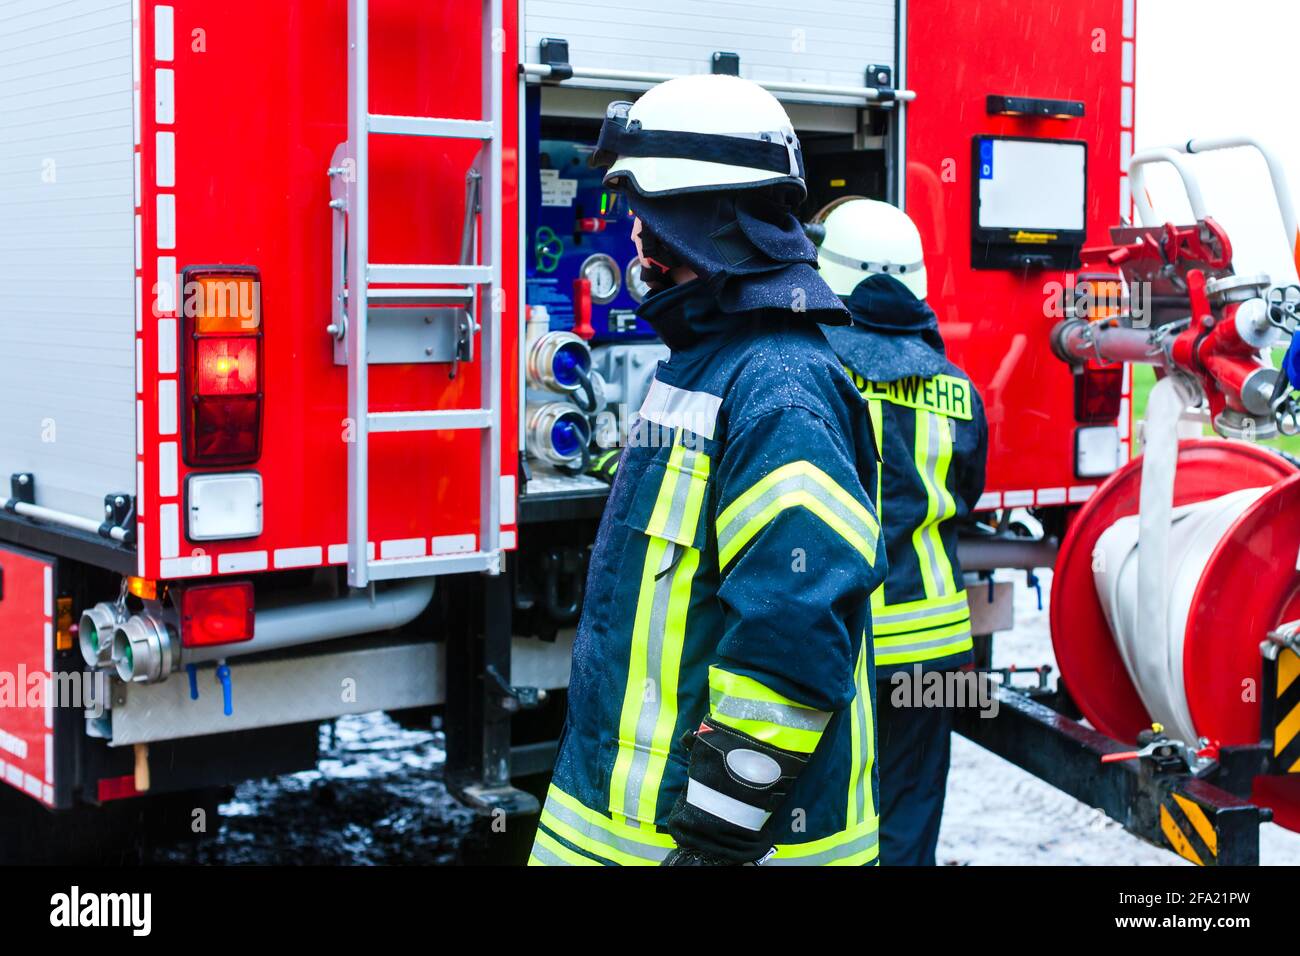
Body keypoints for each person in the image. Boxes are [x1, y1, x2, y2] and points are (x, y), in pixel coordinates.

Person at [528, 75, 888, 867]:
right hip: (626, 828)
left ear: (692, 227)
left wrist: (716, 841)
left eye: (642, 220)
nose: (631, 244)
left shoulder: (779, 390)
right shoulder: (706, 366)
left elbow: (791, 631)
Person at [815, 197, 988, 866]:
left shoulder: (814, 370)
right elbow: (965, 495)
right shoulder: (958, 387)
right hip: (934, 651)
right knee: (907, 814)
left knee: (829, 814)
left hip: (837, 639)